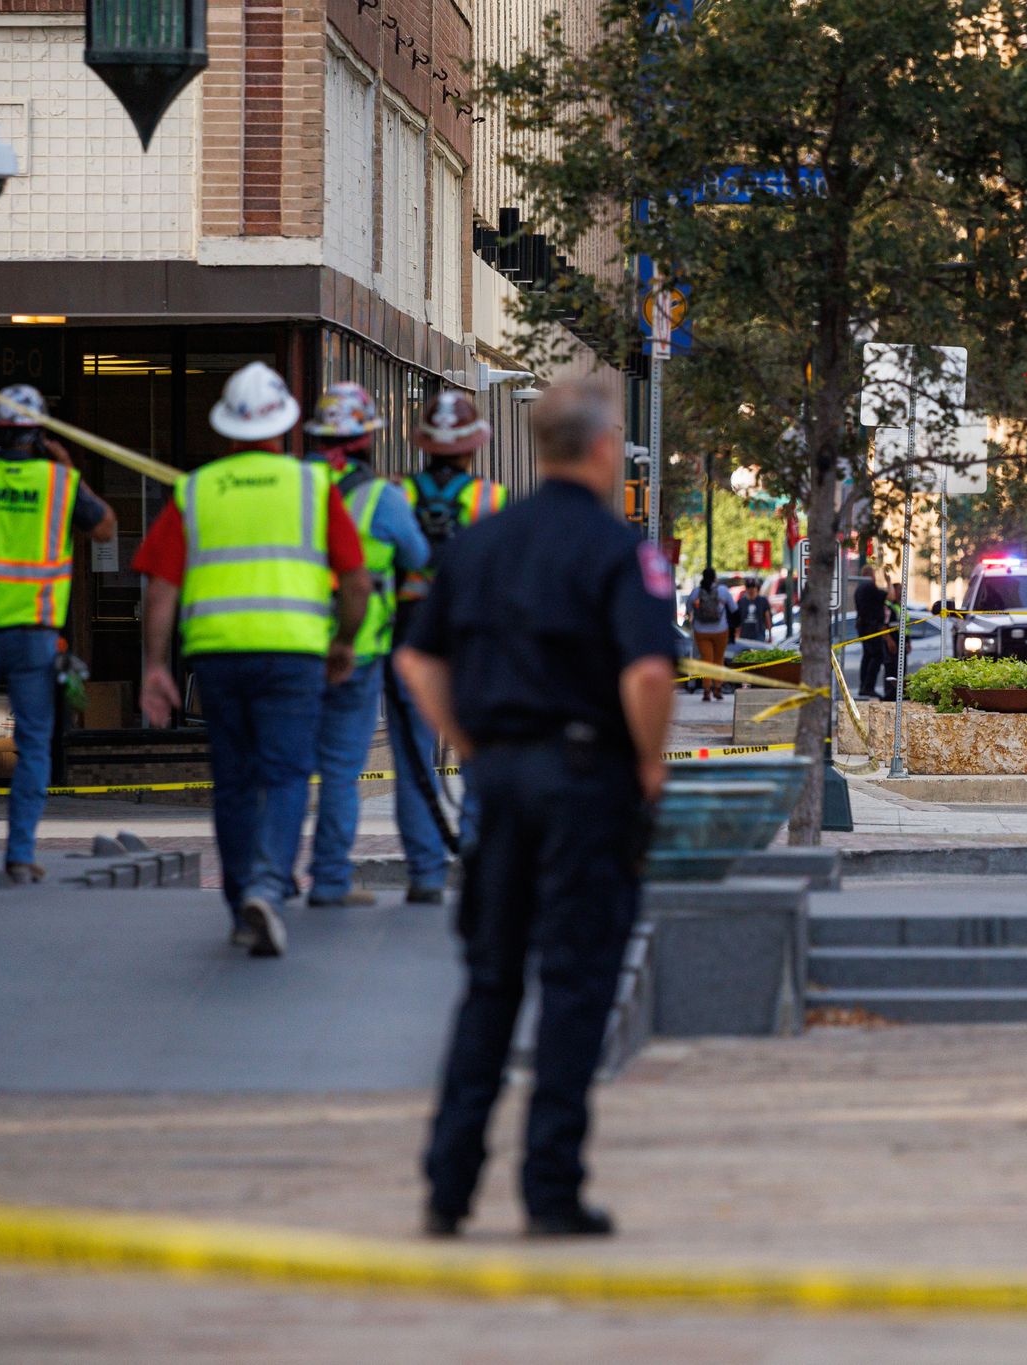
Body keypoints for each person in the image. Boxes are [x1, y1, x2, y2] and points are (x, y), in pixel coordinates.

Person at [402, 375, 678, 1240]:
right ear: (601, 449)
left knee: (490, 980)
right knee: (574, 983)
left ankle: (449, 1183)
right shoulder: (617, 548)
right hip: (585, 780)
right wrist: (649, 761)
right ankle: (549, 1185)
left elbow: (417, 661)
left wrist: (474, 745)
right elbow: (646, 671)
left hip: (501, 782)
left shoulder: (483, 543)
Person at [134, 362, 371, 956]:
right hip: (294, 655)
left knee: (234, 780)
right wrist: (344, 642)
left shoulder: (196, 489)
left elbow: (160, 589)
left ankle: (242, 900)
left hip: (217, 658)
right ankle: (269, 883)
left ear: (227, 428)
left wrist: (155, 668)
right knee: (288, 774)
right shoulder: (313, 488)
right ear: (285, 425)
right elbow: (358, 581)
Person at [0, 385, 117, 884]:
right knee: (35, 741)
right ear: (40, 433)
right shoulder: (60, 482)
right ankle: (19, 852)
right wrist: (70, 468)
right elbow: (106, 529)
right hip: (36, 637)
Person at [298, 383, 429, 908]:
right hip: (356, 652)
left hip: (292, 645)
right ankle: (329, 880)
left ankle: (270, 878)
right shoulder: (382, 498)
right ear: (369, 437)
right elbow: (417, 553)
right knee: (339, 770)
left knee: (281, 767)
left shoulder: (296, 484)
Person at [392, 390, 508, 904]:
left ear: (422, 444)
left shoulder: (396, 495)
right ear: (474, 446)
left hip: (410, 639)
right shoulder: (494, 500)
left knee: (414, 761)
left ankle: (425, 875)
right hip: (475, 642)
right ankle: (479, 860)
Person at [684, 567, 730, 701]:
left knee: (706, 660)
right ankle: (718, 688)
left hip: (701, 631)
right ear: (715, 578)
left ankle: (706, 690)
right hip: (721, 630)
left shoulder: (696, 592)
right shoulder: (722, 591)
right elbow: (733, 608)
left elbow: (688, 608)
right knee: (718, 659)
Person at [854, 569, 888, 699]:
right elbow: (885, 596)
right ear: (870, 575)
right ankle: (868, 687)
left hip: (864, 626)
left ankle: (864, 686)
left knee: (867, 657)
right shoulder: (868, 586)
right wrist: (888, 582)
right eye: (873, 574)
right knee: (877, 655)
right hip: (871, 627)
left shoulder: (860, 588)